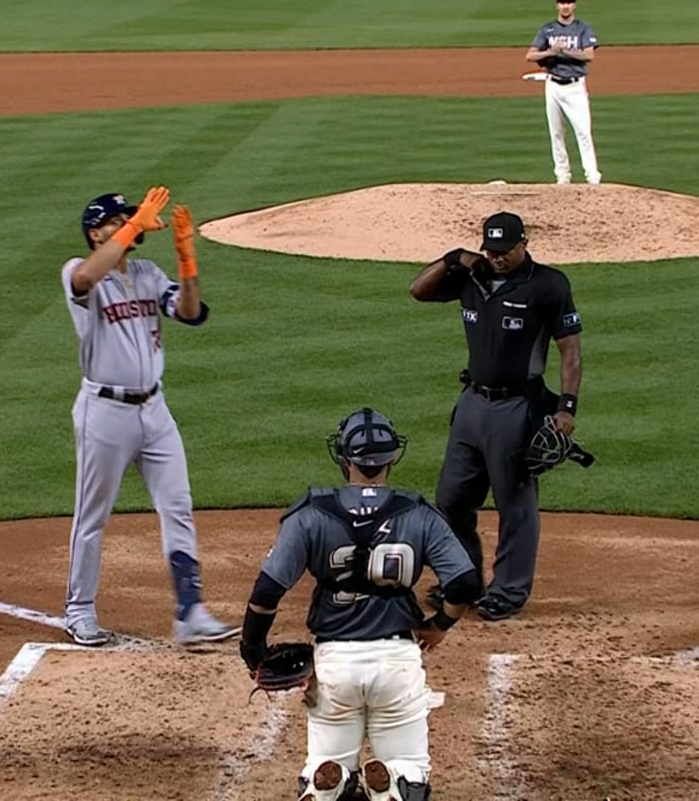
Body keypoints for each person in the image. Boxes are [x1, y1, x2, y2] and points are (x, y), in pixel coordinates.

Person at [240, 408, 479, 801]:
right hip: (397, 662)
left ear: (344, 459)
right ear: (391, 459)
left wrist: (253, 649)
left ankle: (325, 785)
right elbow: (464, 583)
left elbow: (266, 594)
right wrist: (439, 624)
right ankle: (393, 783)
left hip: (334, 664)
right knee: (410, 771)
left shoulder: (311, 513)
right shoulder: (417, 511)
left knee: (324, 759)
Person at [61, 186, 237, 648]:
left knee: (177, 506)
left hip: (155, 410)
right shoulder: (79, 274)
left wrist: (187, 259)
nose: (130, 223)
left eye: (130, 218)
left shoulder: (147, 273)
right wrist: (136, 224)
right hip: (104, 412)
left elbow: (190, 312)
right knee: (92, 515)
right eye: (119, 220)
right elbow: (85, 280)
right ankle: (79, 610)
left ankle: (190, 611)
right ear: (96, 232)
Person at [407, 212, 583, 622]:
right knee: (451, 499)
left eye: (505, 250)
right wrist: (454, 259)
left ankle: (509, 591)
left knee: (514, 504)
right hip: (472, 404)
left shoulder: (548, 285)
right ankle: (464, 580)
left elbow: (570, 349)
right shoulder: (472, 278)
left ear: (524, 243)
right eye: (491, 250)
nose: (498, 258)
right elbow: (418, 290)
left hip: (518, 407)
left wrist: (567, 406)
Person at [526, 0, 599, 185]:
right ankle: (562, 176)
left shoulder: (583, 28)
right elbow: (530, 55)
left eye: (569, 2)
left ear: (574, 5)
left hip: (575, 87)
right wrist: (550, 51)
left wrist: (563, 51)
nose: (565, 6)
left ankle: (592, 176)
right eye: (562, 2)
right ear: (557, 5)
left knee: (583, 132)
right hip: (553, 86)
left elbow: (589, 55)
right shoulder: (547, 29)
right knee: (556, 133)